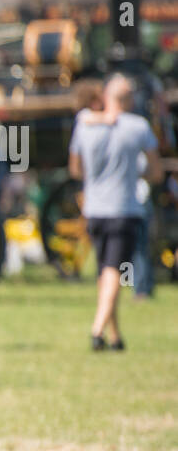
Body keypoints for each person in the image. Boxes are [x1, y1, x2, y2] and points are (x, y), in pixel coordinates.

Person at [68, 74, 162, 350]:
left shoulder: (83, 125)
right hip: (124, 208)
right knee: (114, 271)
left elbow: (75, 169)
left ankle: (116, 336)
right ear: (130, 99)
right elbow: (155, 172)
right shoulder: (138, 127)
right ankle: (97, 329)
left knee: (104, 272)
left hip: (94, 210)